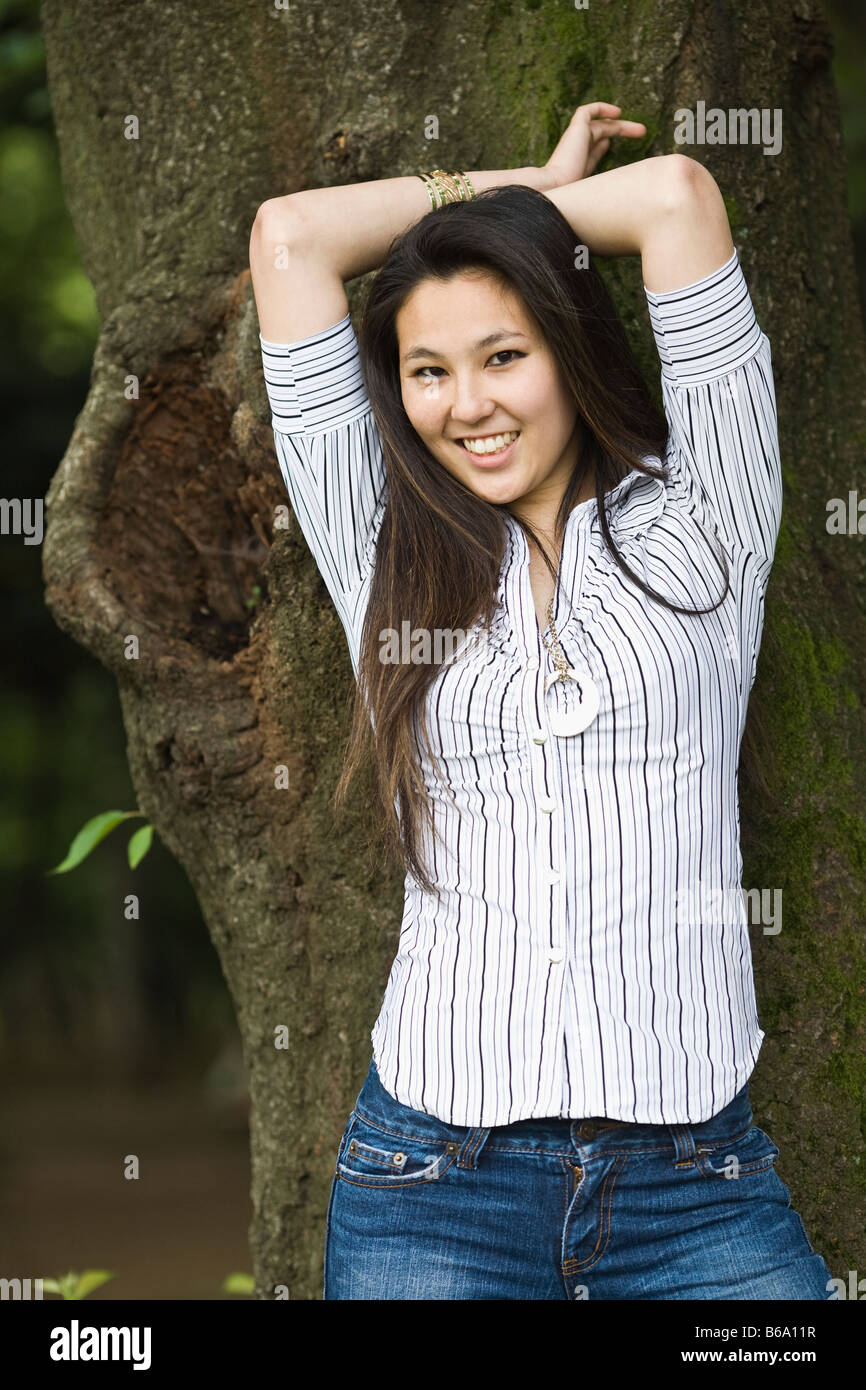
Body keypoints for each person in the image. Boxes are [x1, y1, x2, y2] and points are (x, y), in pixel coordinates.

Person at [249, 102, 836, 1300]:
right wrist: (509, 188)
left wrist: (526, 222)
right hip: (430, 1182)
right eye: (427, 369)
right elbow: (290, 238)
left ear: (567, 349)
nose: (467, 404)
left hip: (694, 1188)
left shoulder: (706, 518)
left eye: (502, 353)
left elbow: (671, 196)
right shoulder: (379, 545)